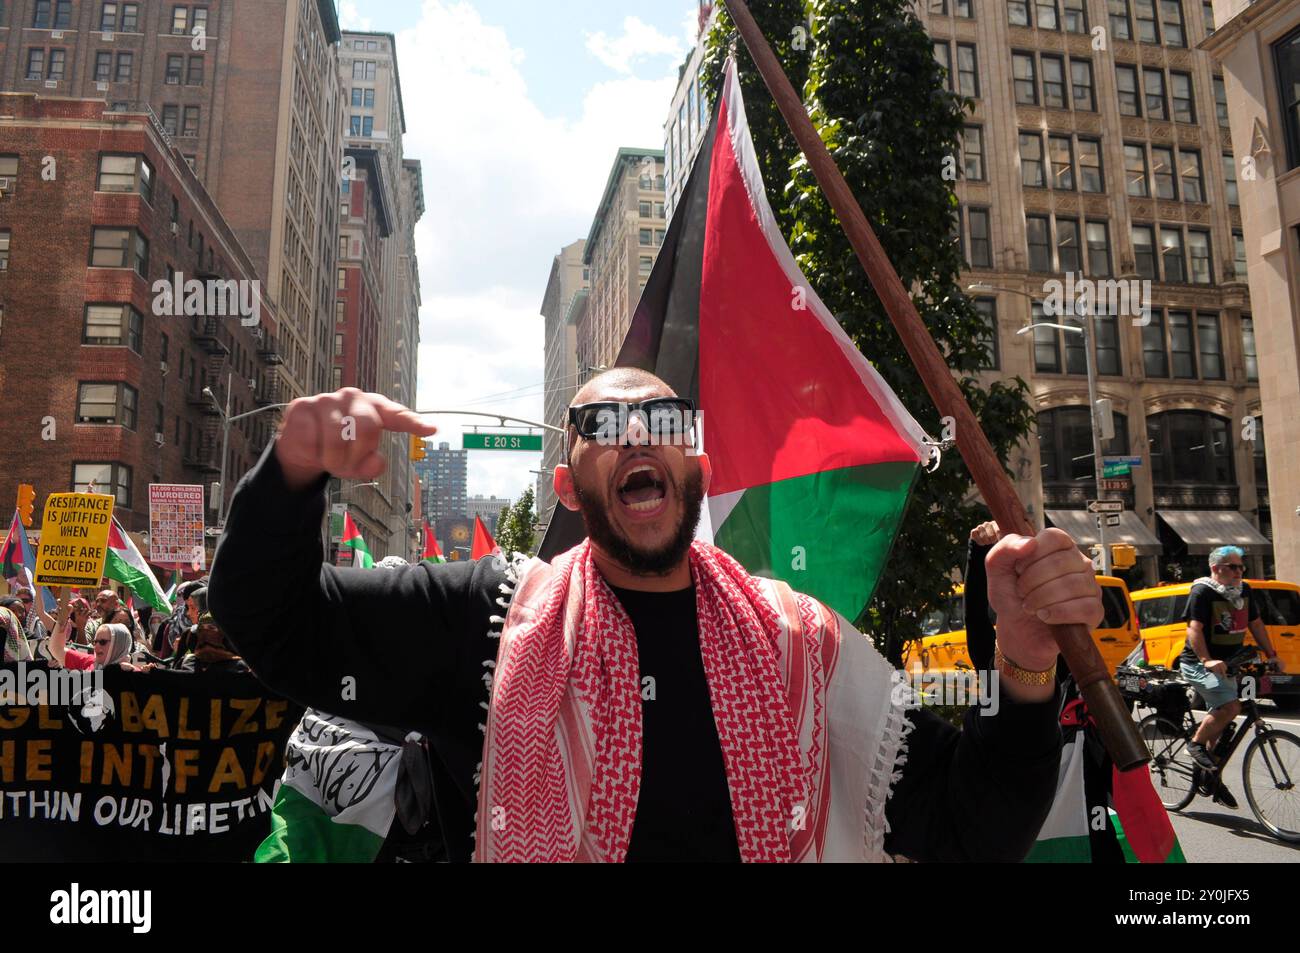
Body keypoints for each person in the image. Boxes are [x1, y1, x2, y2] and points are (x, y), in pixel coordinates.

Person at [210, 374, 1103, 863]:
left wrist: (1025, 667)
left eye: (662, 417)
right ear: (567, 485)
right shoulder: (484, 621)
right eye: (604, 421)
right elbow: (273, 622)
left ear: (699, 466)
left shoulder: (802, 644)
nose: (638, 433)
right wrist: (293, 468)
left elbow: (969, 831)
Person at [1178, 546, 1285, 805]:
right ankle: (1195, 744)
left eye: (1241, 566)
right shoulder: (1202, 591)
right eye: (1233, 567)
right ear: (1216, 568)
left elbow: (1255, 623)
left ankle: (1211, 777)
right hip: (1199, 664)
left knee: (1225, 723)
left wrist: (1271, 654)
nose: (1239, 571)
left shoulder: (1244, 590)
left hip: (1232, 663)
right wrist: (1207, 660)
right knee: (1230, 706)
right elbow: (1194, 629)